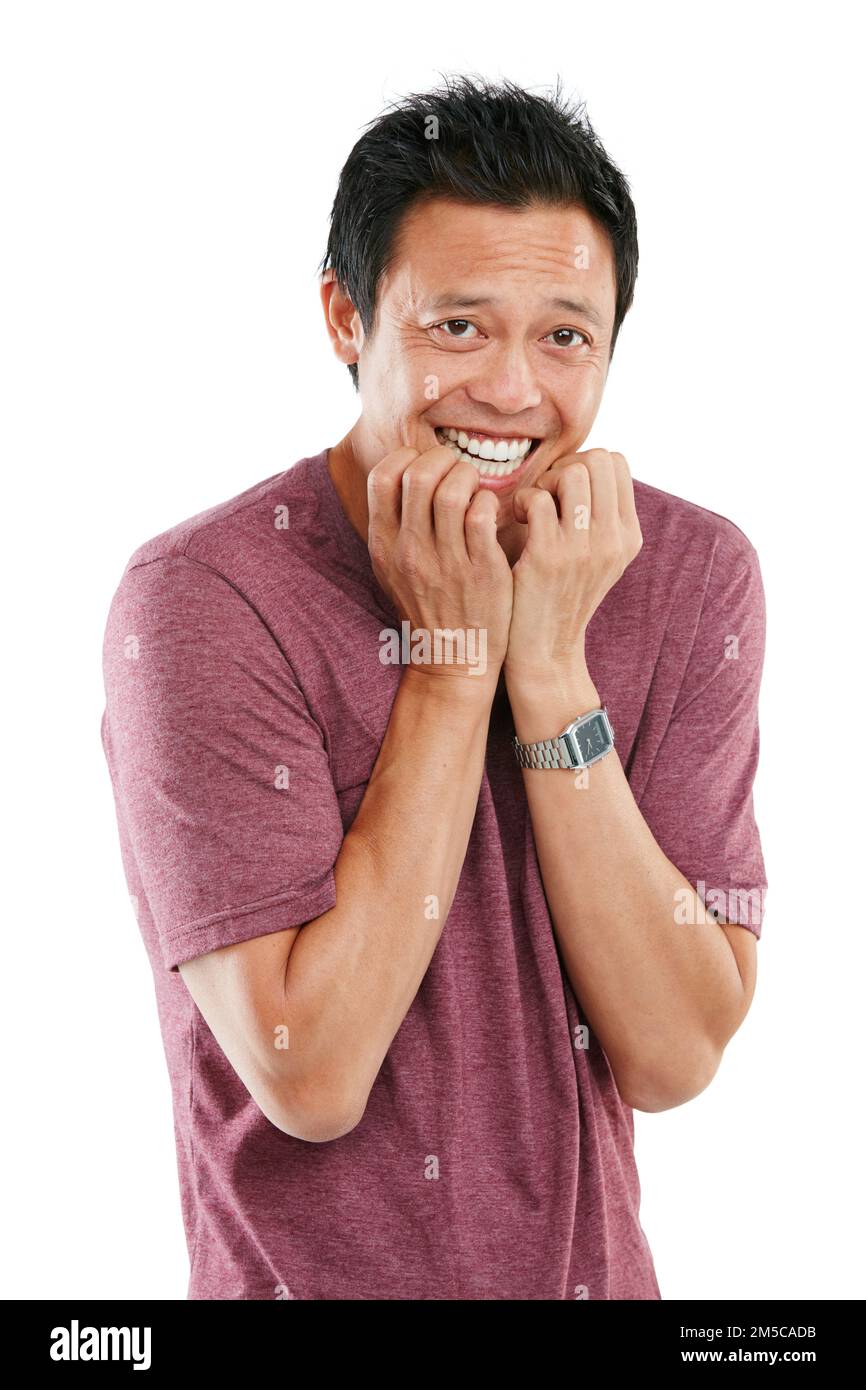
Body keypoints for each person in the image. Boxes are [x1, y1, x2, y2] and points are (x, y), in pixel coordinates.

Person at [100, 74, 768, 1300]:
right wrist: (453, 670)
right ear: (345, 318)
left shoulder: (686, 575)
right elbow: (308, 1073)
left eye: (564, 333)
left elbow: (674, 1053)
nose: (512, 391)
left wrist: (550, 667)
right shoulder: (204, 596)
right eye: (456, 326)